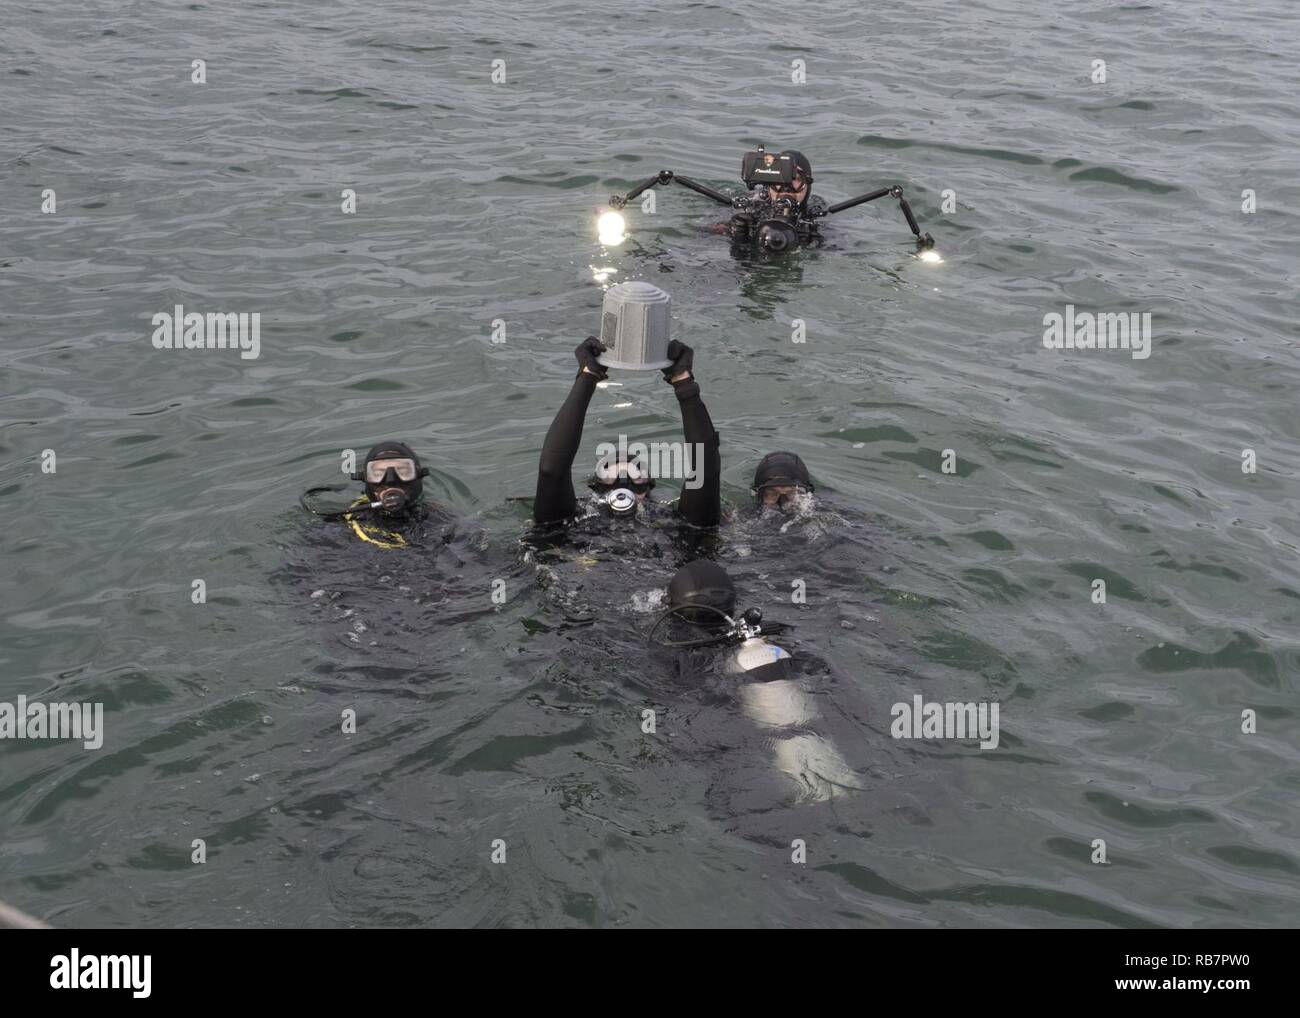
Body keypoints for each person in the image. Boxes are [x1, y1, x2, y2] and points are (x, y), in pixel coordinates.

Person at [532, 338, 721, 529]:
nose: (623, 486)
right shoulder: (570, 522)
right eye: (609, 480)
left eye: (636, 480)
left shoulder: (675, 522)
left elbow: (705, 471)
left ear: (649, 488)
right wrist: (587, 377)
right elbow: (551, 470)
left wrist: (684, 383)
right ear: (594, 489)